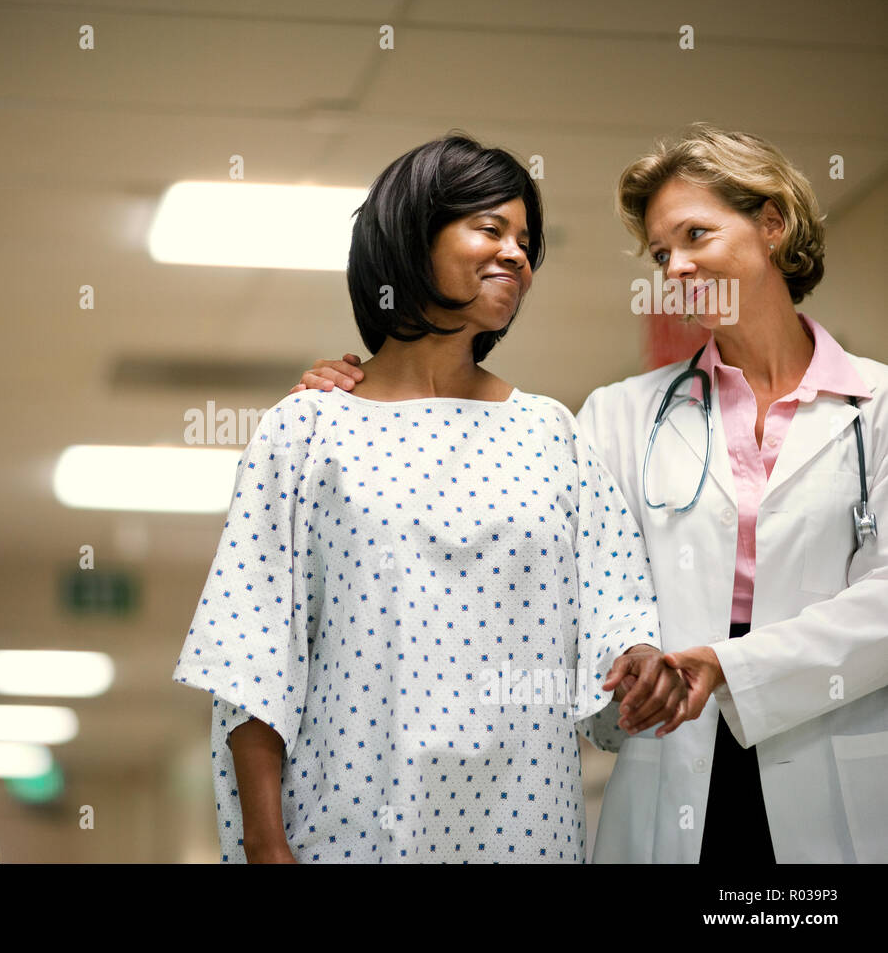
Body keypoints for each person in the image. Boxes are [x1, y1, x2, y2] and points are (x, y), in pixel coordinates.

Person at [293, 125, 888, 863]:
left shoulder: (879, 408)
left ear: (773, 224)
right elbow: (551, 578)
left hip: (833, 761)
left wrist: (730, 666)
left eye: (695, 235)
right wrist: (370, 398)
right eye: (662, 252)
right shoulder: (618, 415)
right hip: (674, 759)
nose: (676, 266)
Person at [172, 133, 689, 864]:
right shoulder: (307, 429)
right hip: (349, 832)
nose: (517, 254)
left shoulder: (552, 435)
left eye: (526, 240)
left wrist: (635, 657)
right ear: (413, 238)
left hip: (524, 829)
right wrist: (265, 844)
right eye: (489, 228)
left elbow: (617, 605)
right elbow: (249, 659)